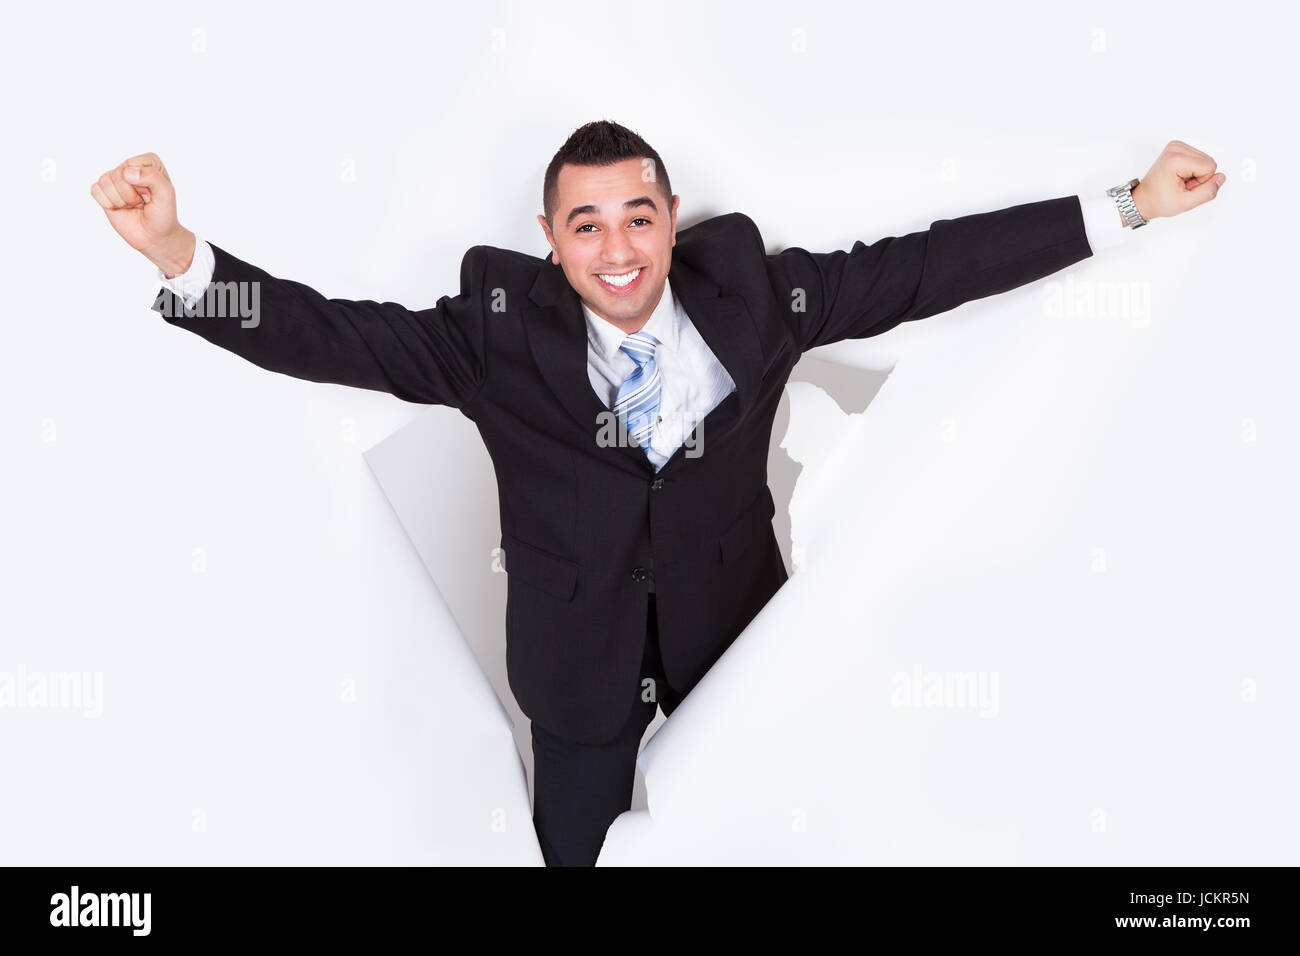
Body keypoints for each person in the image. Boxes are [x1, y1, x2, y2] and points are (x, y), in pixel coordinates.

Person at [92, 121, 1225, 866]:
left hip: (739, 645)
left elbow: (928, 267)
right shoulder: (492, 336)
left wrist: (1126, 204)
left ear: (670, 217)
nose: (617, 246)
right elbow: (324, 334)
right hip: (574, 677)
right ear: (550, 240)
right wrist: (180, 254)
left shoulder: (759, 294)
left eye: (638, 216)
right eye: (584, 224)